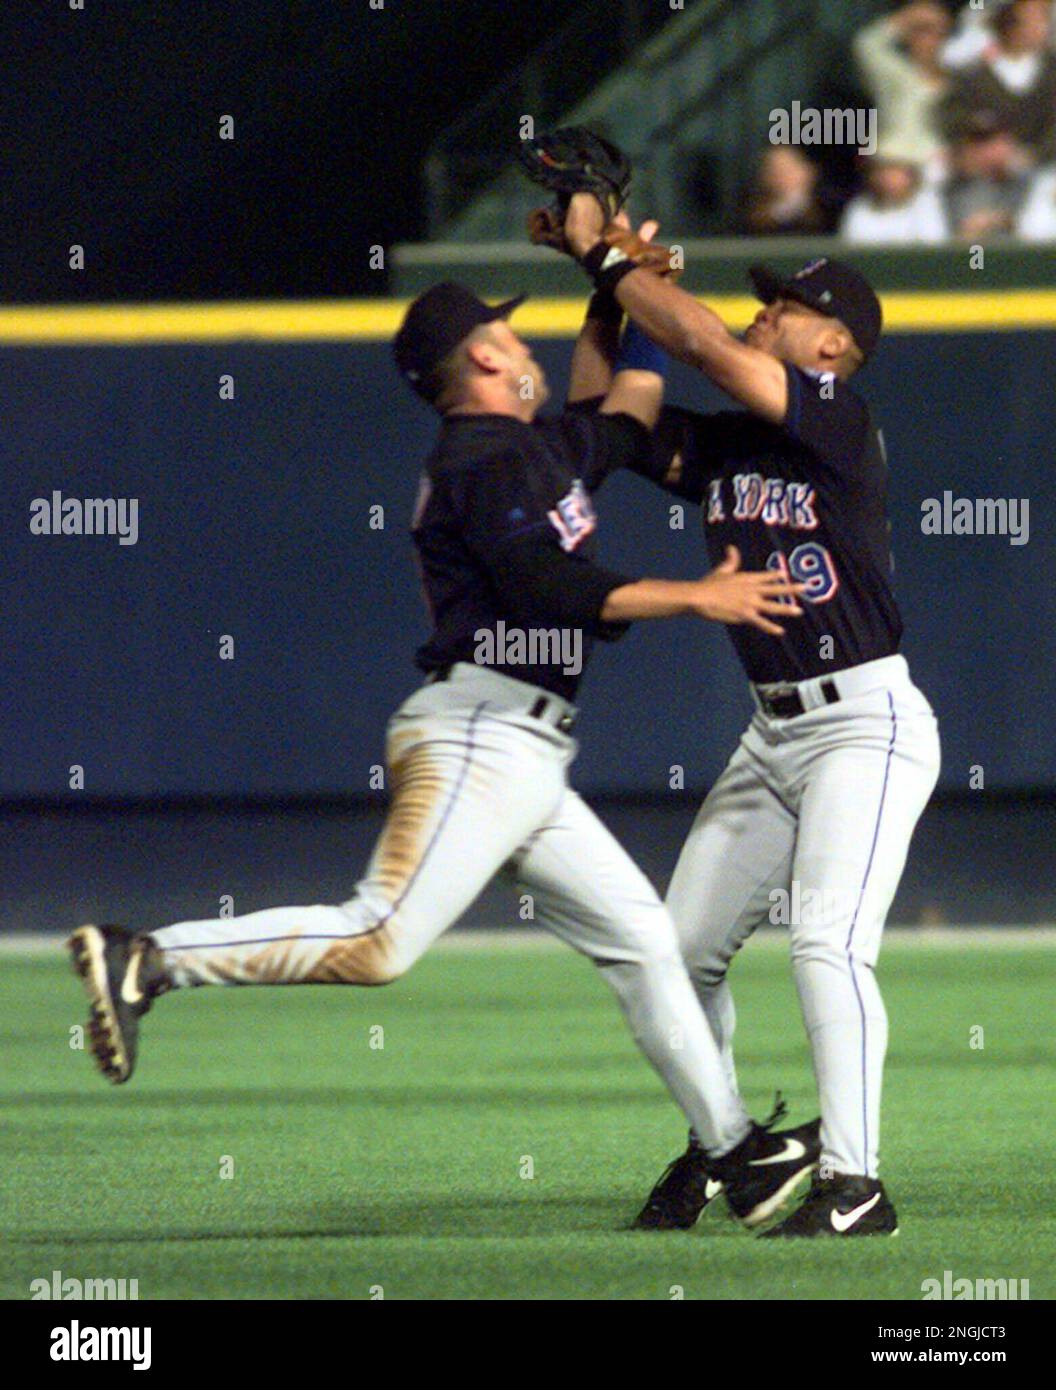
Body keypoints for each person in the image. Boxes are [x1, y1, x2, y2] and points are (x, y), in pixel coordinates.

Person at [68, 277, 822, 1232]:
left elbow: (625, 416)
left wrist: (618, 286)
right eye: (507, 328)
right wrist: (694, 596)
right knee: (380, 940)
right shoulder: (481, 458)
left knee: (643, 942)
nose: (522, 340)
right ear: (483, 356)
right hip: (477, 734)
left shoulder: (532, 451)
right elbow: (542, 582)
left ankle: (735, 1154)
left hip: (524, 753)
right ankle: (150, 958)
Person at [558, 193, 941, 1237]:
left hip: (866, 722)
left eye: (783, 308)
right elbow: (605, 423)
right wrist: (607, 295)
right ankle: (726, 1147)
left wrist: (613, 253)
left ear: (834, 342)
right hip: (773, 734)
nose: (761, 315)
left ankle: (857, 1186)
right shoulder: (735, 443)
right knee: (675, 957)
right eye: (764, 305)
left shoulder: (841, 422)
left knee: (825, 943)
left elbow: (705, 343)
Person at [853, 2, 953, 174]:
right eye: (924, 30)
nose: (932, 38)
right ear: (908, 35)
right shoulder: (894, 72)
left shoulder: (957, 78)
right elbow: (866, 45)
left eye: (939, 32)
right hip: (895, 165)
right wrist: (905, 18)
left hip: (940, 169)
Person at [839, 149, 948, 243]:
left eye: (895, 170)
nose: (888, 178)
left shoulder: (927, 204)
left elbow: (933, 251)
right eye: (881, 170)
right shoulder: (858, 208)